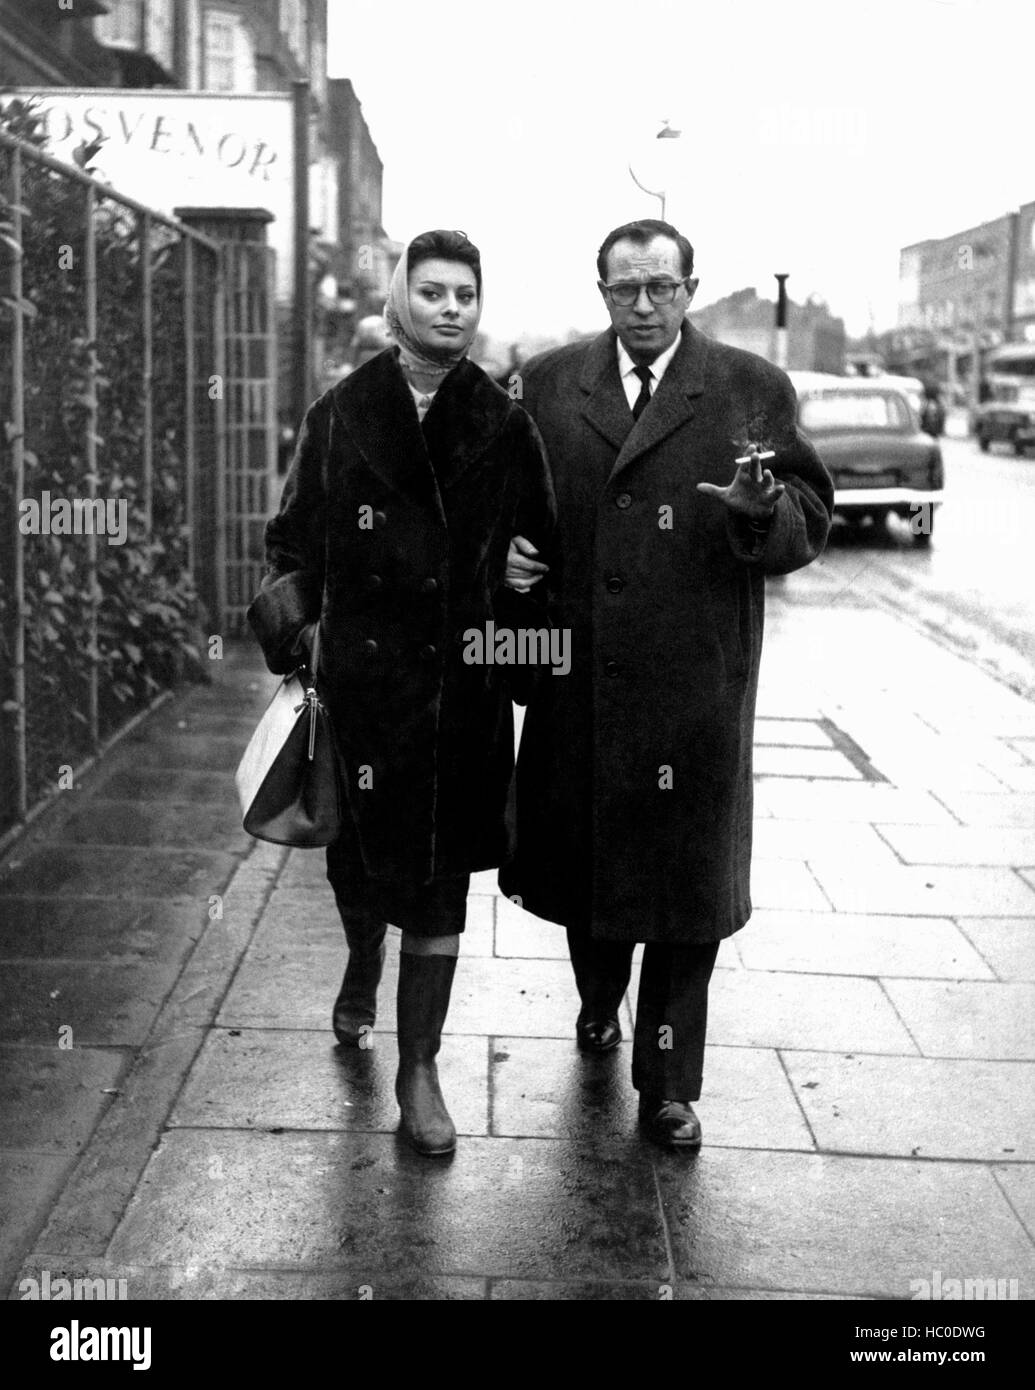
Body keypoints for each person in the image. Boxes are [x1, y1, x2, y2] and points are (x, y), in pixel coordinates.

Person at [501, 218, 833, 1150]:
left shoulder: (748, 389)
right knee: (589, 877)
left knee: (684, 896)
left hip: (695, 685)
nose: (643, 306)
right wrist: (510, 562)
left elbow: (809, 520)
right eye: (624, 290)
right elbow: (497, 505)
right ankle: (596, 1001)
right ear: (599, 292)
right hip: (580, 677)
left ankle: (669, 1083)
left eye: (661, 287)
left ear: (690, 289)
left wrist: (759, 516)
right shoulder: (547, 382)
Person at [248, 230, 554, 1156]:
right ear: (399, 302)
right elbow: (289, 547)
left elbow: (541, 546)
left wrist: (525, 581)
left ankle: (417, 1068)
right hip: (364, 694)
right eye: (432, 292)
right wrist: (306, 637)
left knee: (439, 884)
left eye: (465, 293)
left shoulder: (504, 425)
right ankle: (357, 961)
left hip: (458, 698)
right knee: (355, 867)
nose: (451, 308)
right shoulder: (341, 413)